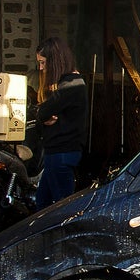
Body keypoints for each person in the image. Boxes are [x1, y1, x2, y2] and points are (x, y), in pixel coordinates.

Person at [34, 37, 88, 209]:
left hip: (62, 152)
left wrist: (42, 115)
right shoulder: (66, 83)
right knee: (42, 204)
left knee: (61, 209)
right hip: (56, 153)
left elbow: (42, 112)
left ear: (55, 61)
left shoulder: (71, 85)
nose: (41, 68)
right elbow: (43, 113)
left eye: (43, 63)